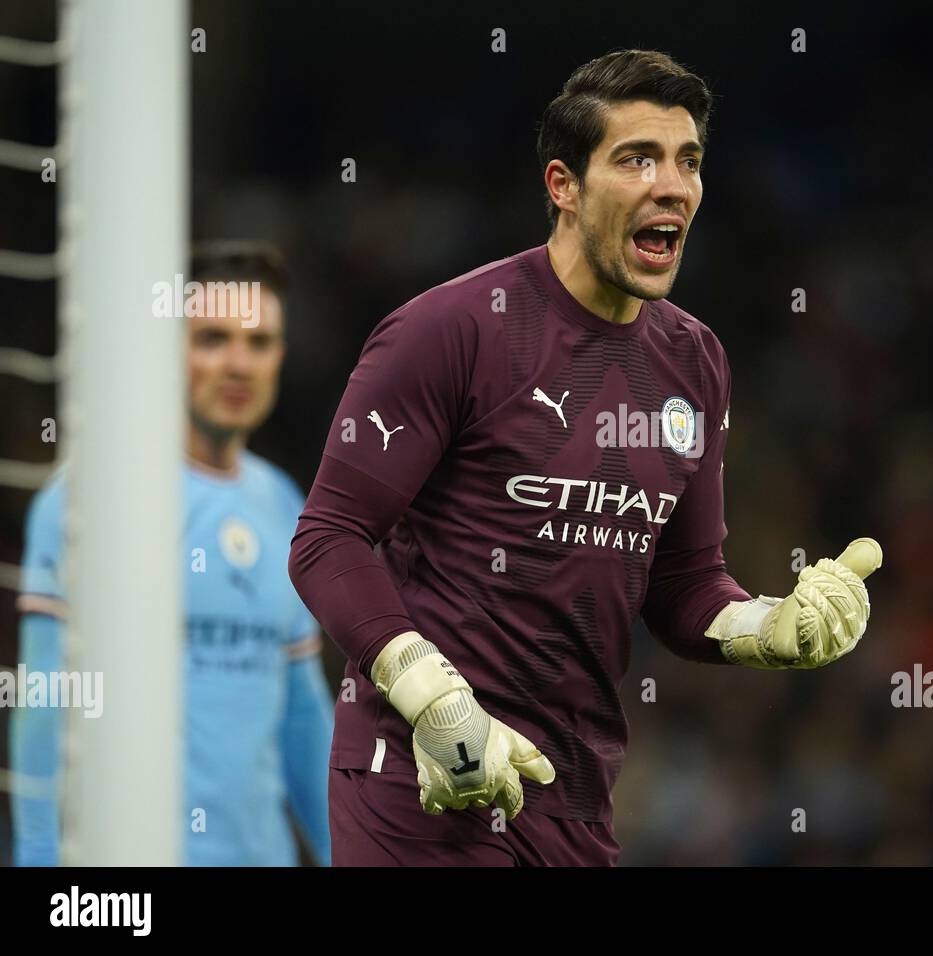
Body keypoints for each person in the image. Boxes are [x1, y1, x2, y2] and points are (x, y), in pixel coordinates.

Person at [288, 49, 880, 867]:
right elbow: (329, 537)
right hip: (424, 782)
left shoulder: (695, 363)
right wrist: (431, 698)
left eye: (688, 161)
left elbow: (683, 584)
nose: (671, 184)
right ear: (563, 185)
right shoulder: (452, 330)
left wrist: (765, 626)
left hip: (574, 800)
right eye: (638, 158)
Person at [11, 241, 333, 866]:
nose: (239, 364)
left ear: (280, 359)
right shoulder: (89, 498)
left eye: (259, 343)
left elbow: (303, 719)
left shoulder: (286, 506)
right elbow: (43, 705)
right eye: (213, 338)